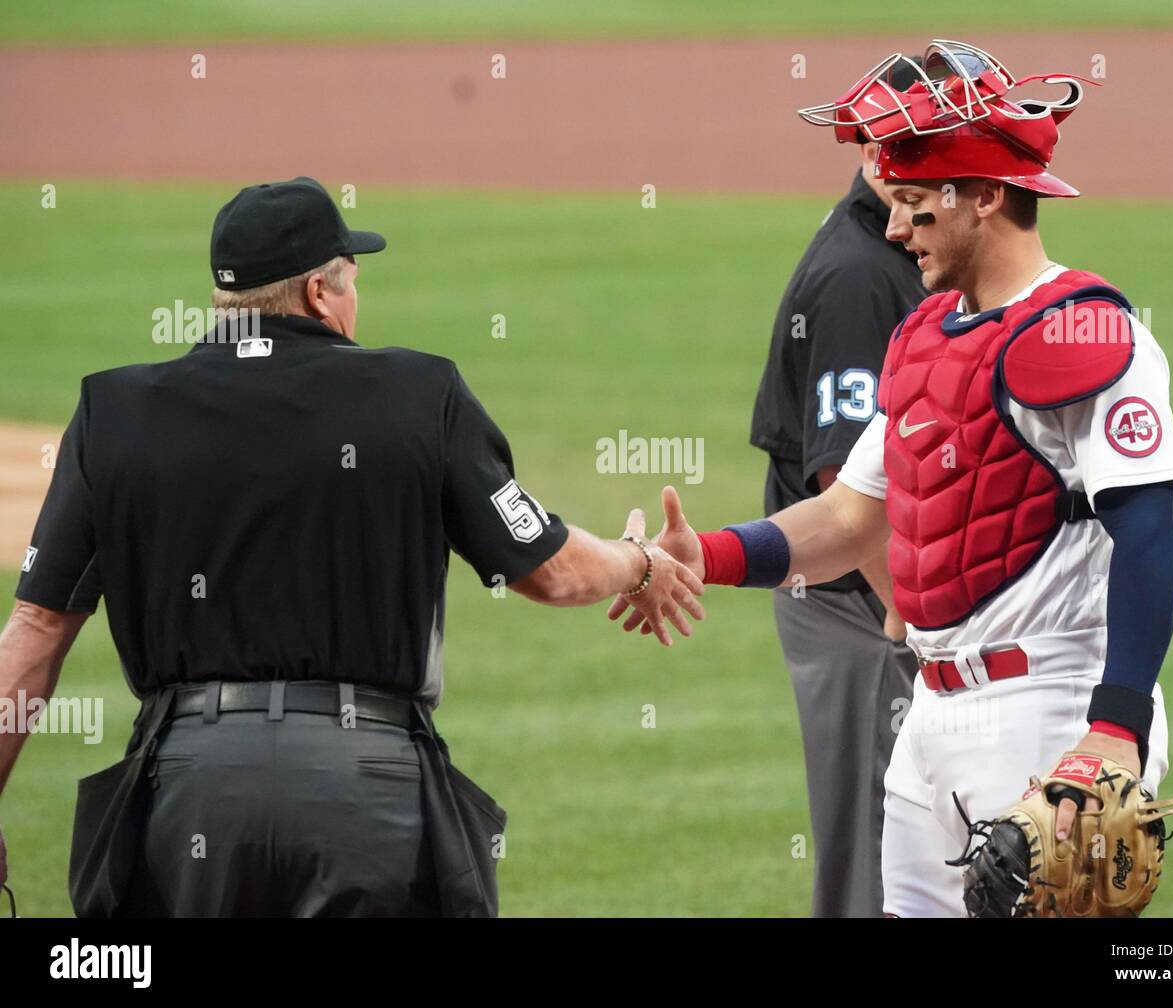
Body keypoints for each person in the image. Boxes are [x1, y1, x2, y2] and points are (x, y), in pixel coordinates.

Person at [0, 176, 703, 917]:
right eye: (351, 281)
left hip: (185, 795)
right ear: (317, 292)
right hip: (366, 791)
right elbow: (552, 571)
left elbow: (35, 633)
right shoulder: (418, 393)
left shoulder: (116, 413)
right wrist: (640, 563)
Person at [613, 40, 1173, 917]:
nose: (893, 227)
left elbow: (1147, 532)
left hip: (1047, 713)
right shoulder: (925, 337)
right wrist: (713, 556)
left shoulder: (1085, 338)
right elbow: (850, 516)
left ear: (987, 196)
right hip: (928, 714)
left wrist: (1114, 729)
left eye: (917, 206)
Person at [748, 57, 926, 916]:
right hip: (860, 603)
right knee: (877, 865)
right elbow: (845, 482)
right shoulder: (860, 276)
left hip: (876, 597)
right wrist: (924, 625)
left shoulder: (898, 242)